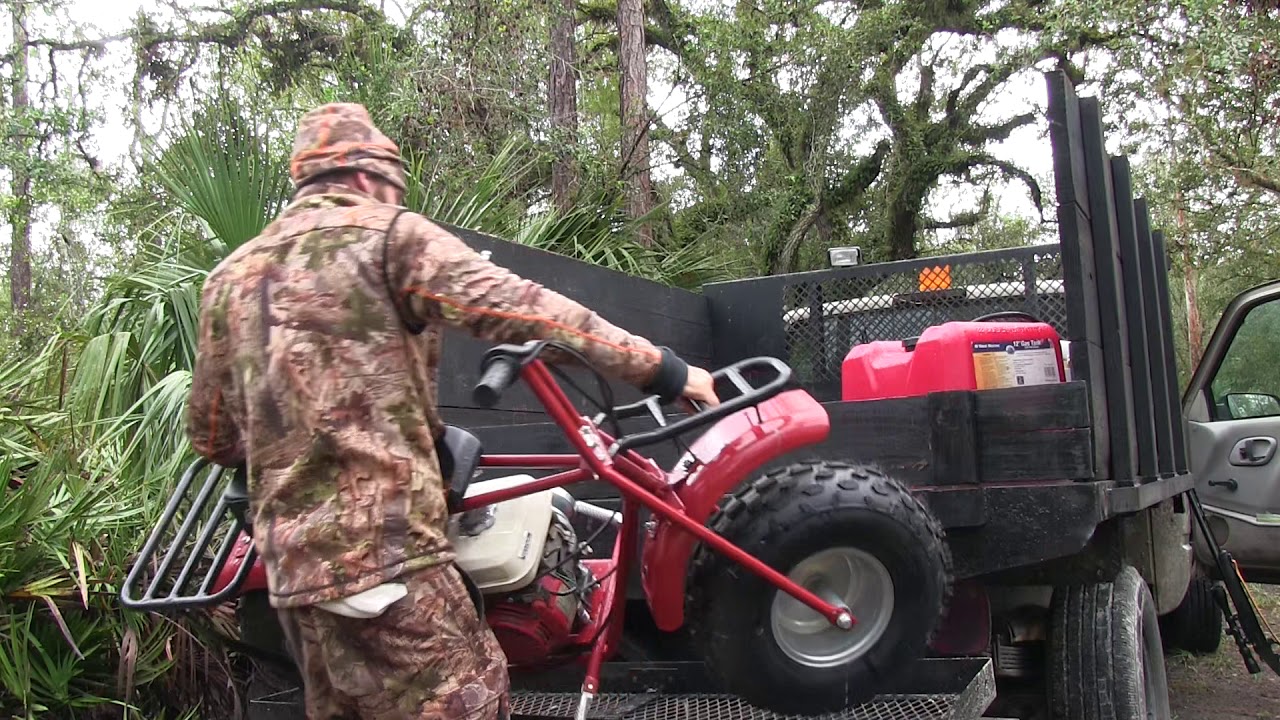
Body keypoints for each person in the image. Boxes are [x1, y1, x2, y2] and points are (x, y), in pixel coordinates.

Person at [184, 102, 721, 720]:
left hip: (294, 573)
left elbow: (215, 436)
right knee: (472, 696)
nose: (394, 199)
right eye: (393, 188)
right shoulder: (390, 236)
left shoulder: (227, 280)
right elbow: (532, 314)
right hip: (388, 558)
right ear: (365, 177)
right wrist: (665, 369)